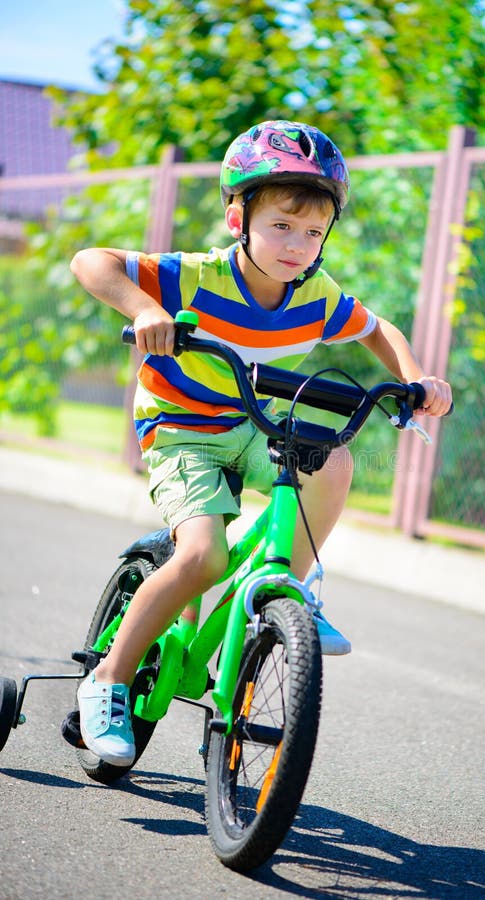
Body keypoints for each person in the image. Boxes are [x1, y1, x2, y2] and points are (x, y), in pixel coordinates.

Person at [70, 120, 452, 766]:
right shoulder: (193, 277)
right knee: (201, 558)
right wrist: (143, 309)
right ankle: (107, 679)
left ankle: (287, 590)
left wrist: (412, 377)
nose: (297, 245)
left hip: (253, 424)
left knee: (330, 458)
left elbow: (374, 327)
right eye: (281, 225)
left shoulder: (315, 295)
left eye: (312, 233)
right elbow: (92, 262)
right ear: (236, 217)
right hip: (180, 428)